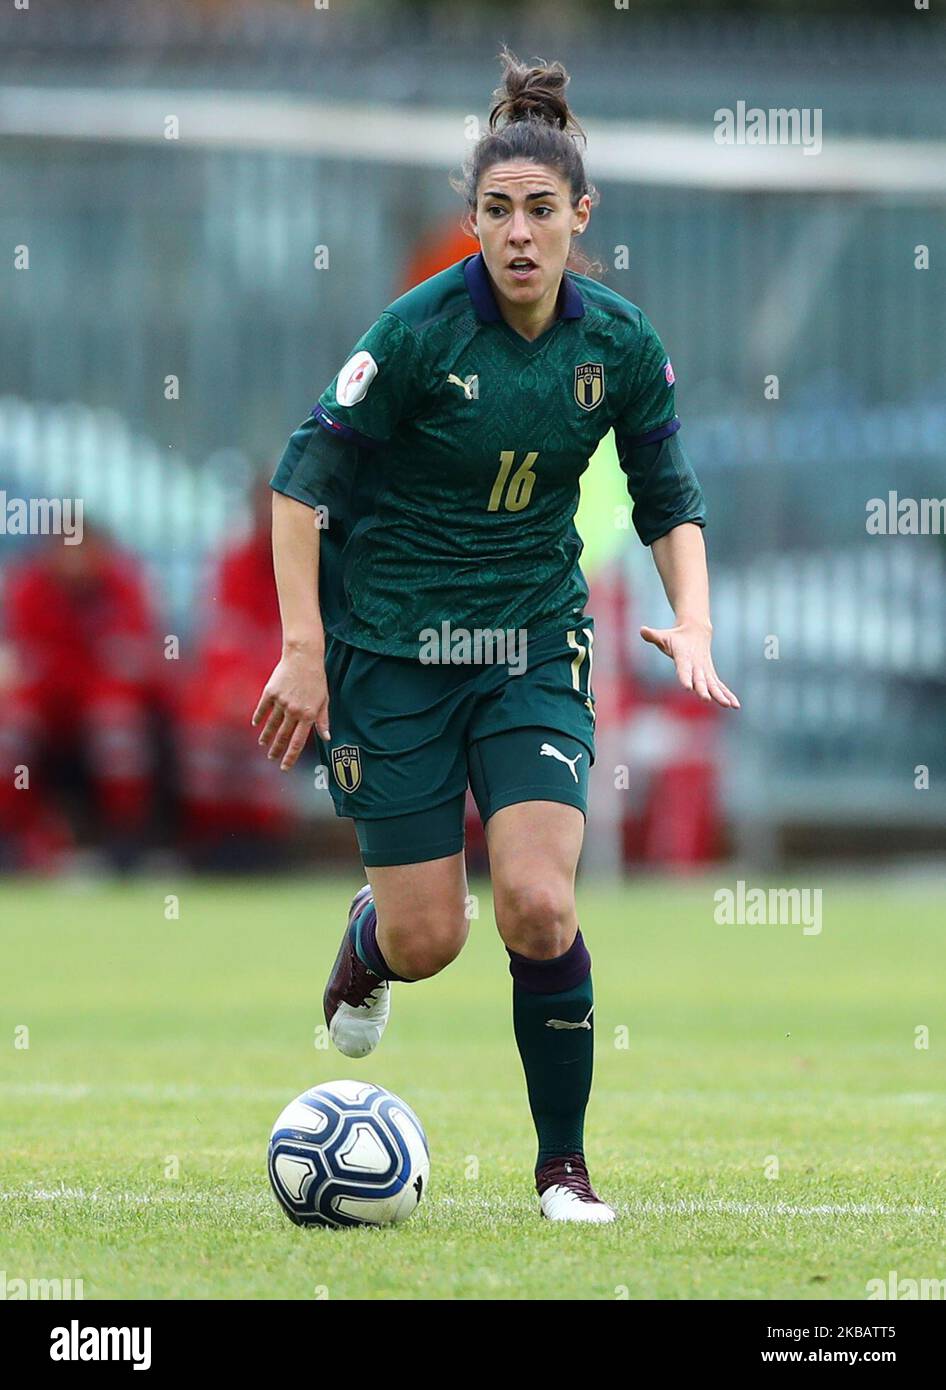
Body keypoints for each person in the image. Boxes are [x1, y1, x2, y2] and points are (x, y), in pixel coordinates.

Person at [254, 50, 739, 1224]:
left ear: (581, 214)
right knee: (433, 938)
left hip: (528, 645)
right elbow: (299, 479)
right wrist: (305, 650)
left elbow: (668, 494)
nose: (518, 234)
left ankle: (561, 1169)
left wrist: (692, 619)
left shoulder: (616, 345)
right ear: (470, 222)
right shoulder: (418, 332)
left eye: (539, 210)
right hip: (394, 652)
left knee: (536, 902)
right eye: (495, 212)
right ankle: (371, 943)